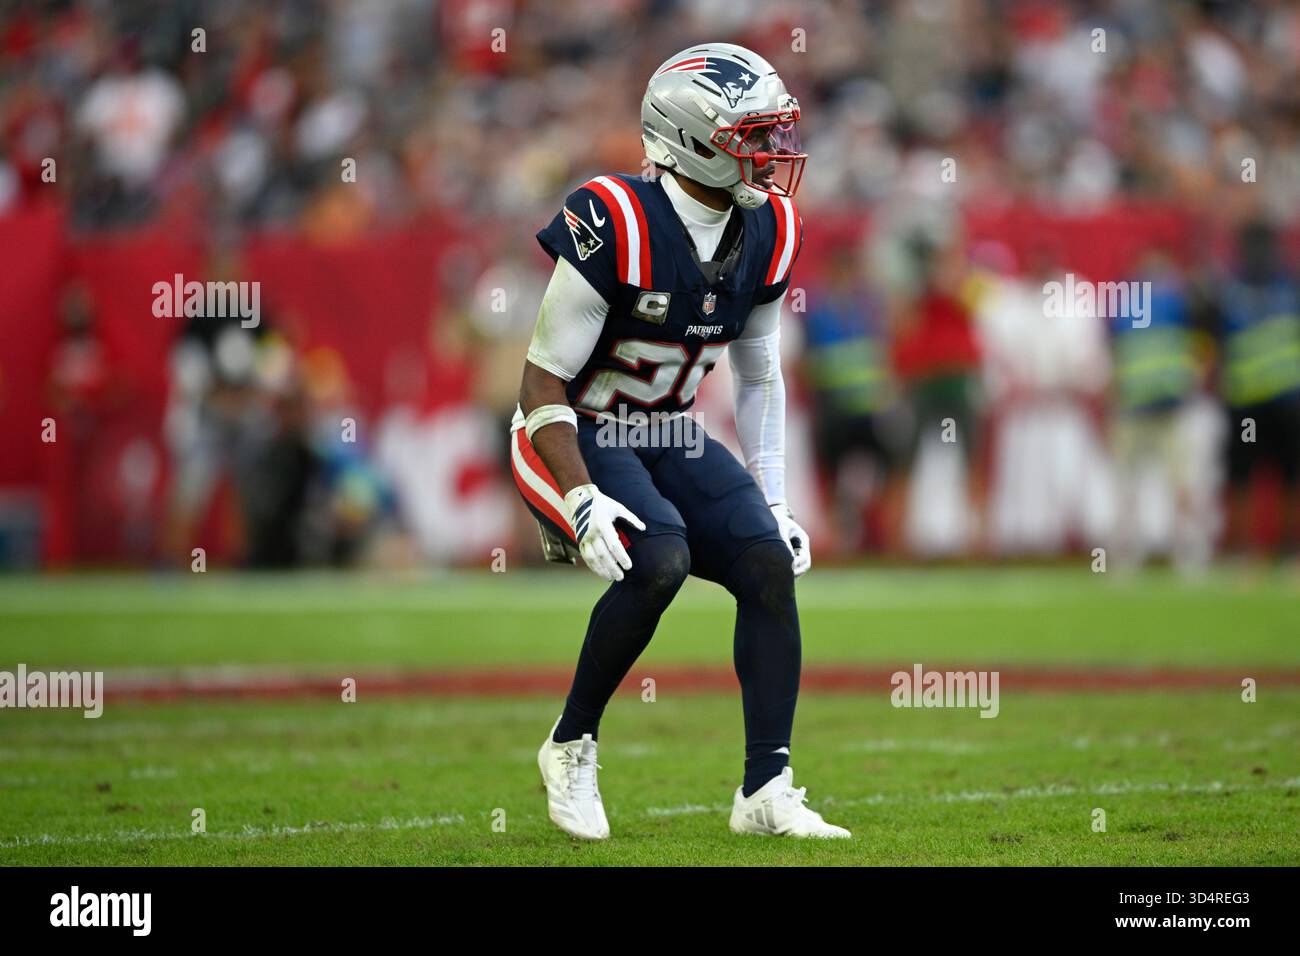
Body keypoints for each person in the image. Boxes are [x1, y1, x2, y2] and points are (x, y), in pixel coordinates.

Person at [509, 43, 848, 840]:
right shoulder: (616, 217)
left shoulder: (771, 228)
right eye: (753, 135)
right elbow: (541, 379)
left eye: (774, 134)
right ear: (693, 138)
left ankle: (766, 788)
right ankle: (570, 744)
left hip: (666, 428)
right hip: (571, 425)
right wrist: (582, 495)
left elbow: (760, 377)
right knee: (658, 556)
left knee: (766, 558)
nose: (771, 154)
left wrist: (774, 499)